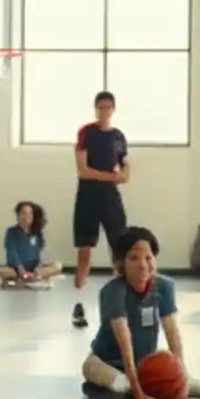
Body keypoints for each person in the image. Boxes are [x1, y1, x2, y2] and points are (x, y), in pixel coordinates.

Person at [80, 226, 200, 399]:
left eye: (148, 257)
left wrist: (179, 372)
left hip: (143, 365)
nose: (143, 265)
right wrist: (137, 391)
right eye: (134, 258)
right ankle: (129, 388)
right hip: (105, 362)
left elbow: (172, 333)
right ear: (121, 263)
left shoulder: (164, 287)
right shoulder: (113, 292)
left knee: (170, 377)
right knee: (107, 376)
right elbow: (124, 341)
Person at [71, 91, 129, 328]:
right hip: (88, 197)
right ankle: (78, 304)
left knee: (119, 247)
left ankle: (121, 303)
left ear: (113, 109)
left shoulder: (118, 136)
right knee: (85, 251)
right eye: (100, 107)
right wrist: (109, 176)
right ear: (95, 109)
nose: (104, 111)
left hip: (110, 198)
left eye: (108, 107)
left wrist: (119, 176)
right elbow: (83, 169)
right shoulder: (87, 132)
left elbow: (125, 171)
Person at [0, 200, 61, 289]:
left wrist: (37, 268)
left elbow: (39, 252)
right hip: (16, 269)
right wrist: (20, 269)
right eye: (23, 213)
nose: (26, 217)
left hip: (34, 269)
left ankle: (31, 276)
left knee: (58, 266)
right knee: (2, 271)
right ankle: (24, 277)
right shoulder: (11, 232)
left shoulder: (37, 233)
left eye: (30, 214)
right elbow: (11, 252)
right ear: (18, 215)